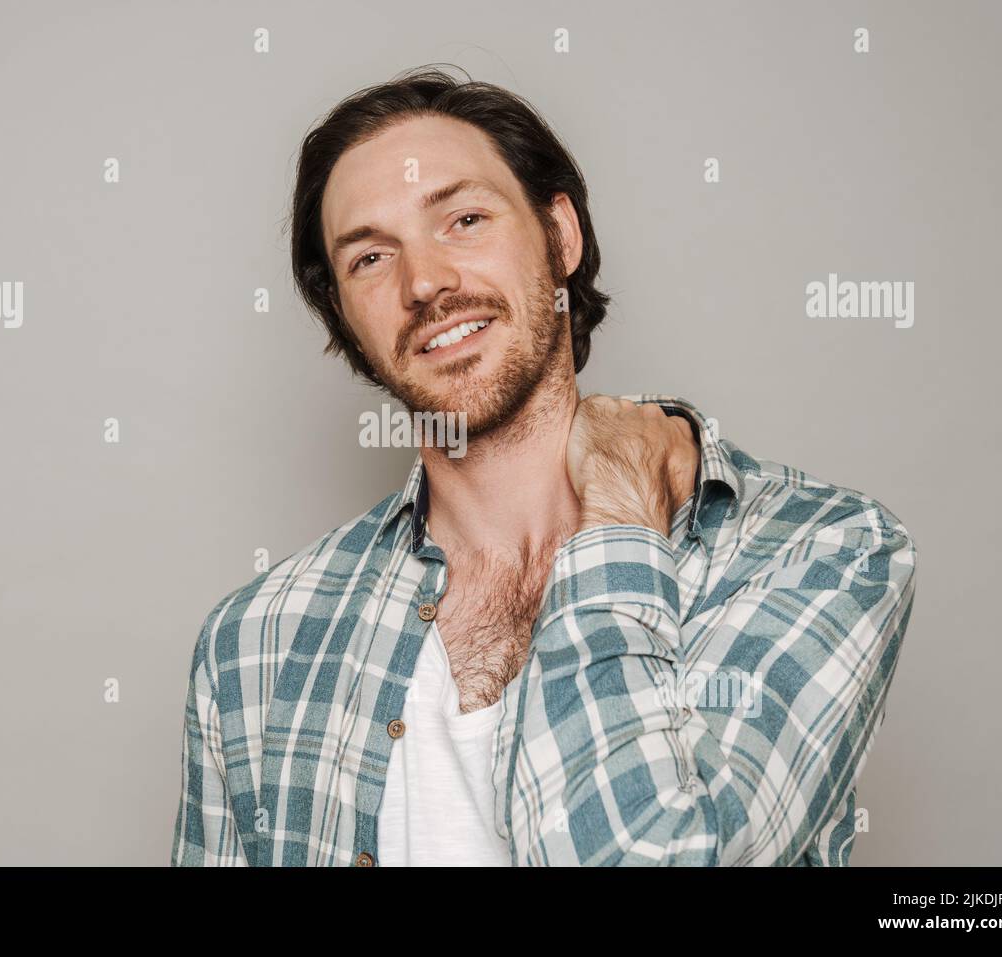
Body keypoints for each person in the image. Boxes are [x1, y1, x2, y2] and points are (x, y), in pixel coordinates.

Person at [171, 66, 918, 867]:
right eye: (370, 259)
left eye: (463, 218)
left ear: (561, 235)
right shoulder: (254, 642)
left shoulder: (822, 552)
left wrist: (621, 511)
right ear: (345, 322)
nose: (425, 282)